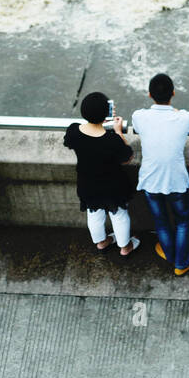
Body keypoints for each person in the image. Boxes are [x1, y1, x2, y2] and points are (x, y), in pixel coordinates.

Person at [131, 73, 189, 276]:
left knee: (161, 221)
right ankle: (182, 263)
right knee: (182, 222)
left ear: (150, 94)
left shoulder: (139, 116)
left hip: (150, 180)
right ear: (173, 93)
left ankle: (169, 254)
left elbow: (137, 128)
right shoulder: (184, 117)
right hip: (176, 181)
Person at [64, 91, 139, 257]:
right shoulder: (111, 140)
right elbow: (127, 157)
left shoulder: (74, 131)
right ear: (106, 115)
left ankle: (101, 242)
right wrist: (118, 131)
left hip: (87, 184)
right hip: (112, 186)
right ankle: (125, 247)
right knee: (119, 215)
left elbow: (68, 142)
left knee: (94, 214)